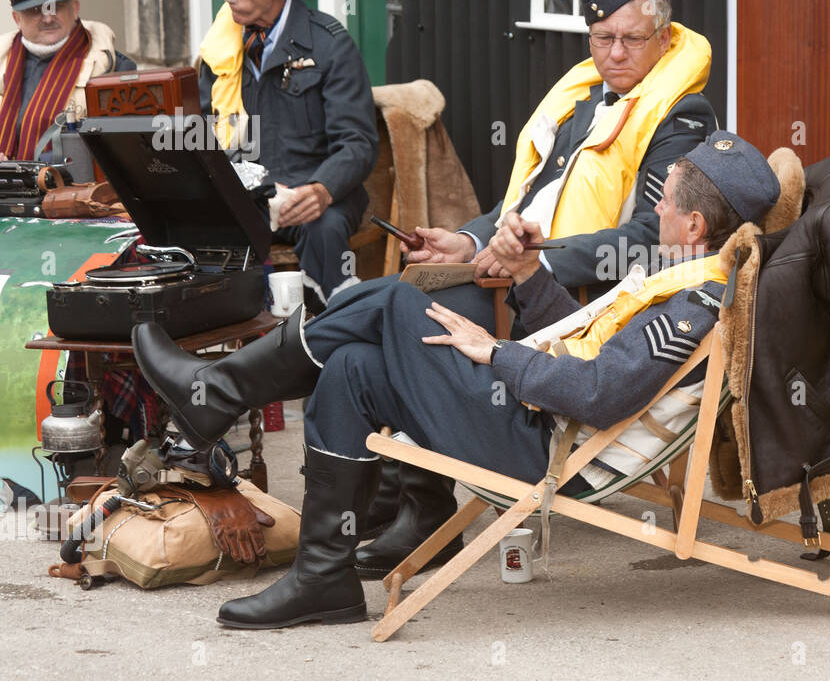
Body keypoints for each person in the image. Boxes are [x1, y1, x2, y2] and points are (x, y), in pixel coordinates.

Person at [131, 130, 778, 629]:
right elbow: (580, 346)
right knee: (355, 366)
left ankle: (214, 392)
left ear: (694, 225)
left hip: (538, 448)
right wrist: (528, 274)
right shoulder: (676, 282)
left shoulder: (692, 311)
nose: (655, 205)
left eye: (665, 198)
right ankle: (324, 577)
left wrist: (495, 353)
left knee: (392, 302)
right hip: (527, 421)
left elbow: (595, 393)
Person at [353, 0, 717, 577]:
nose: (617, 52)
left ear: (664, 38)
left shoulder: (681, 117)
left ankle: (418, 506)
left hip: (584, 297)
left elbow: (650, 242)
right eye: (603, 39)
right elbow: (529, 199)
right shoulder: (583, 101)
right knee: (395, 302)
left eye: (633, 38)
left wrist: (528, 256)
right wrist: (469, 241)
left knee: (408, 316)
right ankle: (395, 496)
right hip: (517, 275)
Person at [198, 0, 377, 309]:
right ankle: (227, 340)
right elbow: (203, 130)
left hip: (312, 192)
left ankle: (333, 338)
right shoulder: (220, 48)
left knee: (324, 228)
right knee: (193, 229)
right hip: (247, 195)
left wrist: (323, 188)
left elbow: (358, 142)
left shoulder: (329, 45)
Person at [0, 0, 134, 161]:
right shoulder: (4, 61)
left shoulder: (114, 68)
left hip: (77, 189)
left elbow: (124, 149)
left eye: (56, 7)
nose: (47, 18)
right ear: (17, 18)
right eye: (35, 10)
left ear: (75, 9)